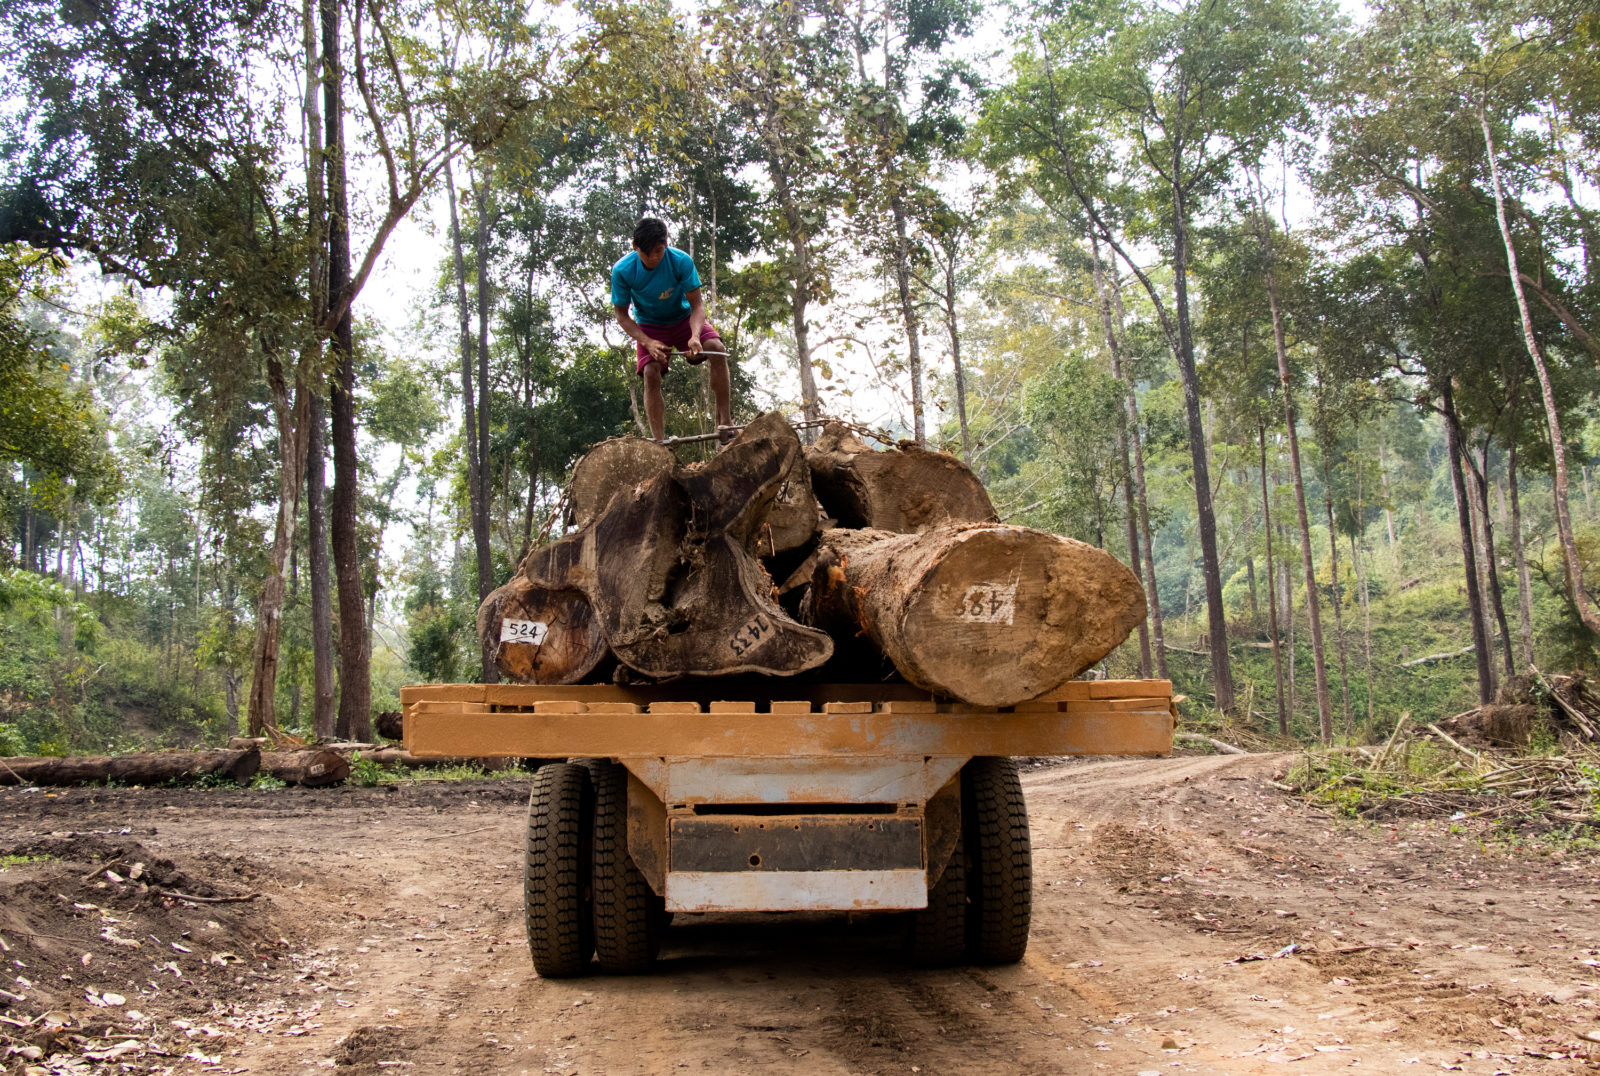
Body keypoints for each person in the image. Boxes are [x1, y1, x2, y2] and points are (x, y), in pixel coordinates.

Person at [611, 217, 732, 442]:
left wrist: (695, 336)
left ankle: (725, 424)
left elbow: (697, 306)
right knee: (650, 372)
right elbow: (621, 315)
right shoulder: (623, 271)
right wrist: (647, 341)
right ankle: (659, 442)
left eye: (660, 249)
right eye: (651, 253)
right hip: (650, 325)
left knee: (716, 348)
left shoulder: (680, 261)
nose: (657, 256)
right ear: (635, 247)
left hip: (684, 319)